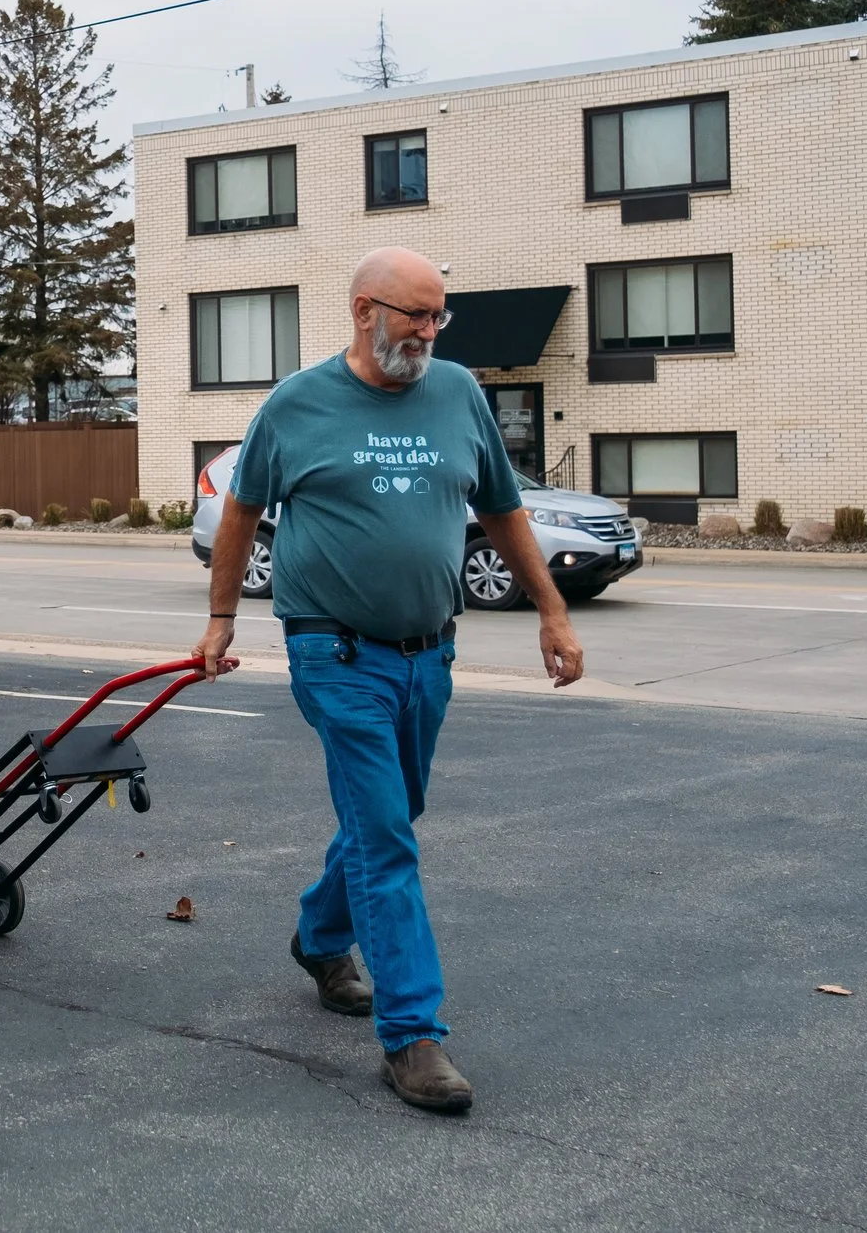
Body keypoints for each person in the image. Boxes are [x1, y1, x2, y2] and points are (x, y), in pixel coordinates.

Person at [192, 246, 582, 1115]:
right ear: (365, 309)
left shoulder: (458, 394)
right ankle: (413, 1035)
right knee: (388, 836)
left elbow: (502, 507)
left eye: (440, 315)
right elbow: (242, 513)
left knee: (390, 817)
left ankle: (321, 935)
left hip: (430, 650)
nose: (430, 330)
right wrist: (222, 618)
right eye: (415, 314)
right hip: (333, 653)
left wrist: (552, 610)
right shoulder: (296, 405)